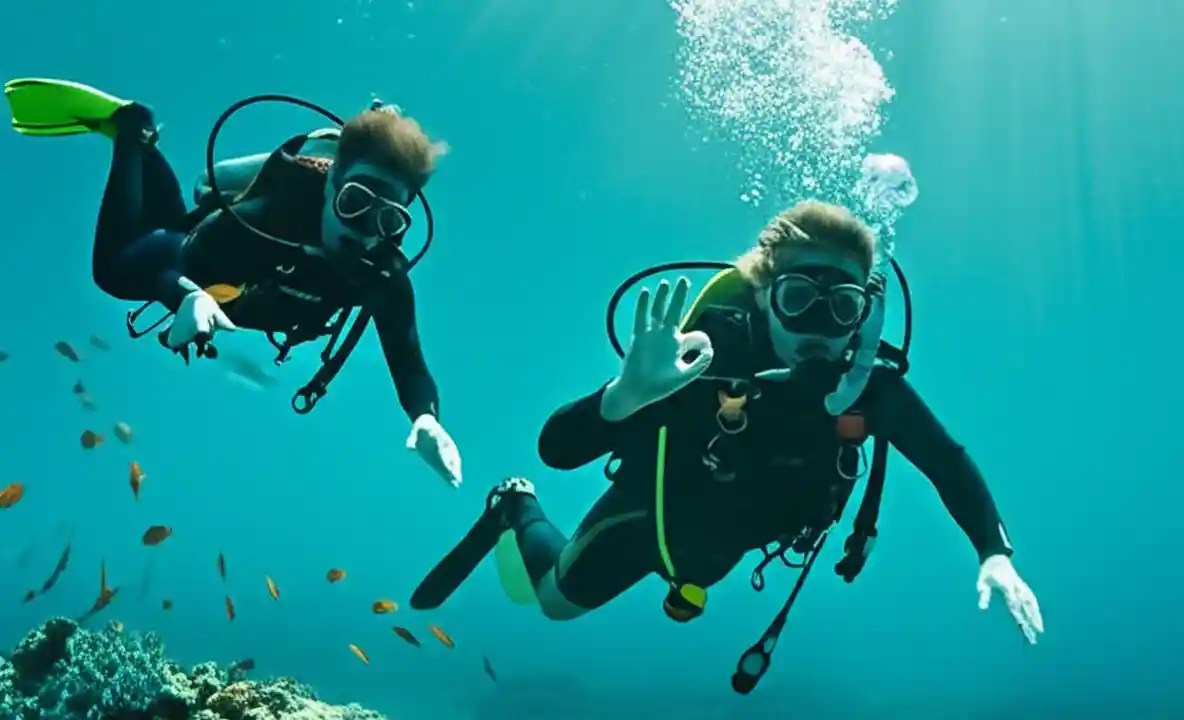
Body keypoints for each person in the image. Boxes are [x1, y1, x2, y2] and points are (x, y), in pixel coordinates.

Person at [413, 200, 1041, 657]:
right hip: (648, 519)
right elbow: (557, 448)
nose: (819, 327)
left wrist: (995, 553)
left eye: (842, 307)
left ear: (862, 317)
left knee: (635, 586)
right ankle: (512, 506)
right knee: (553, 604)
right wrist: (624, 395)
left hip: (723, 547)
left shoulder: (872, 388)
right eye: (799, 299)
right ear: (765, 295)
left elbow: (946, 459)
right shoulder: (708, 357)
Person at [3, 78, 462, 487]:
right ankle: (130, 129)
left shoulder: (381, 274)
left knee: (173, 223)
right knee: (117, 270)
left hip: (231, 284)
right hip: (189, 258)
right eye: (356, 200)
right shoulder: (265, 217)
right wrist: (187, 295)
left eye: (387, 218)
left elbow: (409, 362)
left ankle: (146, 143)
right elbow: (175, 268)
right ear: (331, 183)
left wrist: (426, 418)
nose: (364, 228)